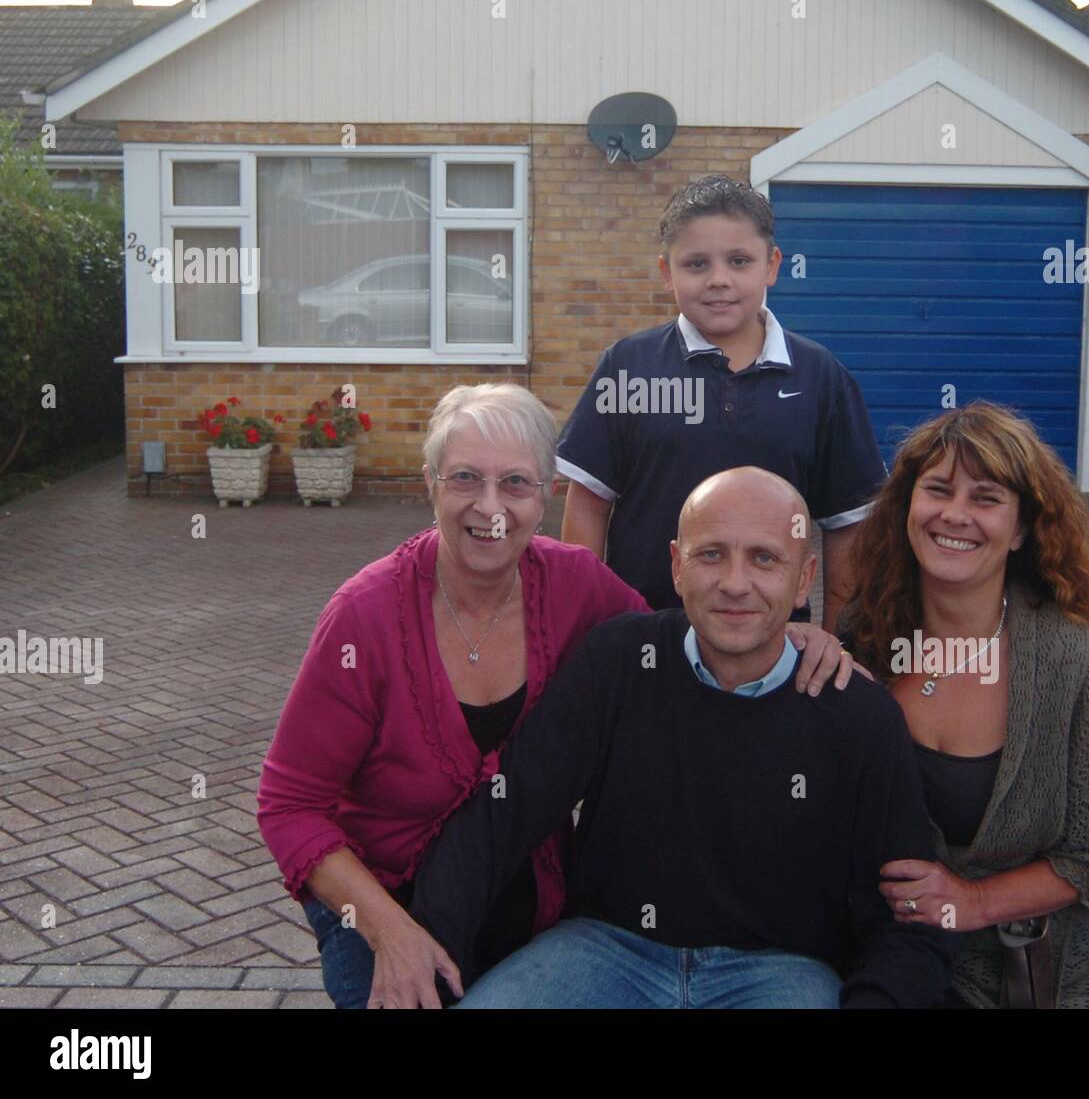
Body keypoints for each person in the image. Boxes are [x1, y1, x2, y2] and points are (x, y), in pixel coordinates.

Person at [257, 385, 854, 1009]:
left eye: (516, 483)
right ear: (430, 483)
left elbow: (679, 642)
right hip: (381, 894)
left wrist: (790, 635)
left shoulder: (575, 586)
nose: (490, 506)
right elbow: (289, 806)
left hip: (523, 883)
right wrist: (389, 930)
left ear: (547, 494)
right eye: (465, 478)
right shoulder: (365, 616)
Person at [405, 467, 956, 1009]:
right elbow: (505, 813)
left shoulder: (858, 714)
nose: (735, 583)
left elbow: (909, 912)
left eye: (765, 559)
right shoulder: (618, 662)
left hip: (781, 970)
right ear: (676, 566)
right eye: (710, 554)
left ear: (803, 578)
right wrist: (426, 948)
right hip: (604, 949)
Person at [837, 401, 1089, 1009]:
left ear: (1021, 530)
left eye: (985, 499)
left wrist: (975, 900)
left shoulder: (1067, 660)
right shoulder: (867, 636)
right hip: (893, 964)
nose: (955, 514)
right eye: (937, 490)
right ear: (907, 508)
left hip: (1036, 978)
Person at [557, 174, 885, 628]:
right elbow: (588, 506)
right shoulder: (627, 367)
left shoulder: (821, 378)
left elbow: (847, 523)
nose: (719, 280)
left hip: (773, 642)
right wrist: (585, 624)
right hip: (642, 633)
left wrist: (834, 638)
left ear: (771, 265)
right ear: (666, 272)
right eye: (696, 264)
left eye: (739, 261)